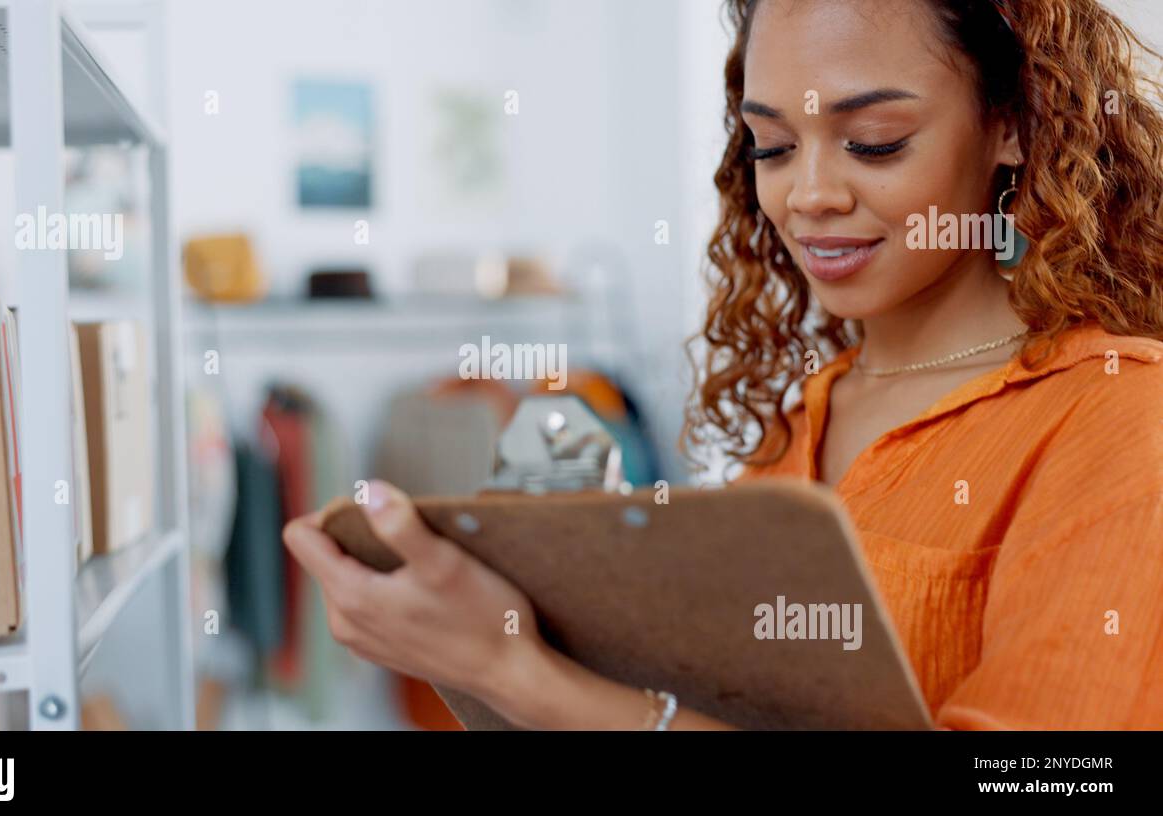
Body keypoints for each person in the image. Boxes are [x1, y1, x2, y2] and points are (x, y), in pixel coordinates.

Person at [284, 0, 1163, 730]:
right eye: (771, 147)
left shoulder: (1122, 419)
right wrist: (475, 629)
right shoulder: (797, 426)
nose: (807, 194)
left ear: (1010, 125)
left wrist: (523, 677)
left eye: (876, 140)